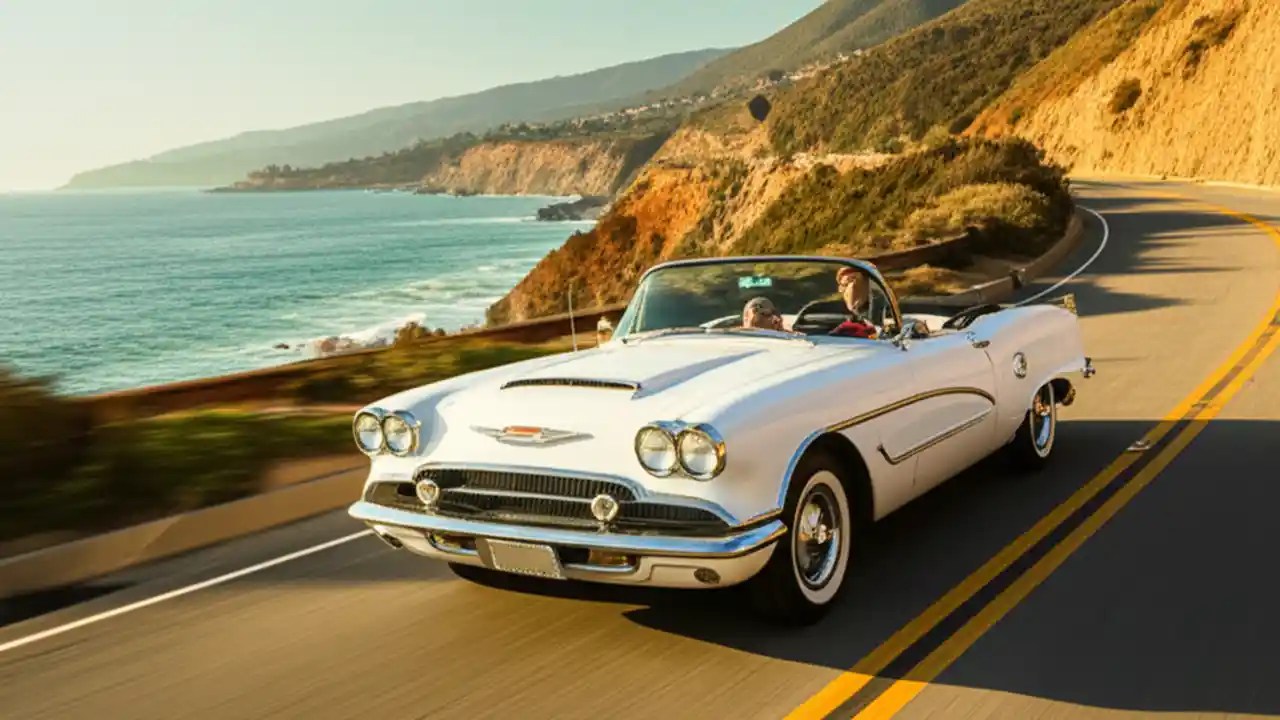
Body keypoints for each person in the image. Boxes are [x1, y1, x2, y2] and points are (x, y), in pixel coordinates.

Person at [830, 266, 878, 339]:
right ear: (840, 289)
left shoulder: (880, 312)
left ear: (868, 287)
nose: (851, 288)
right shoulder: (829, 312)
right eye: (846, 284)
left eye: (857, 283)